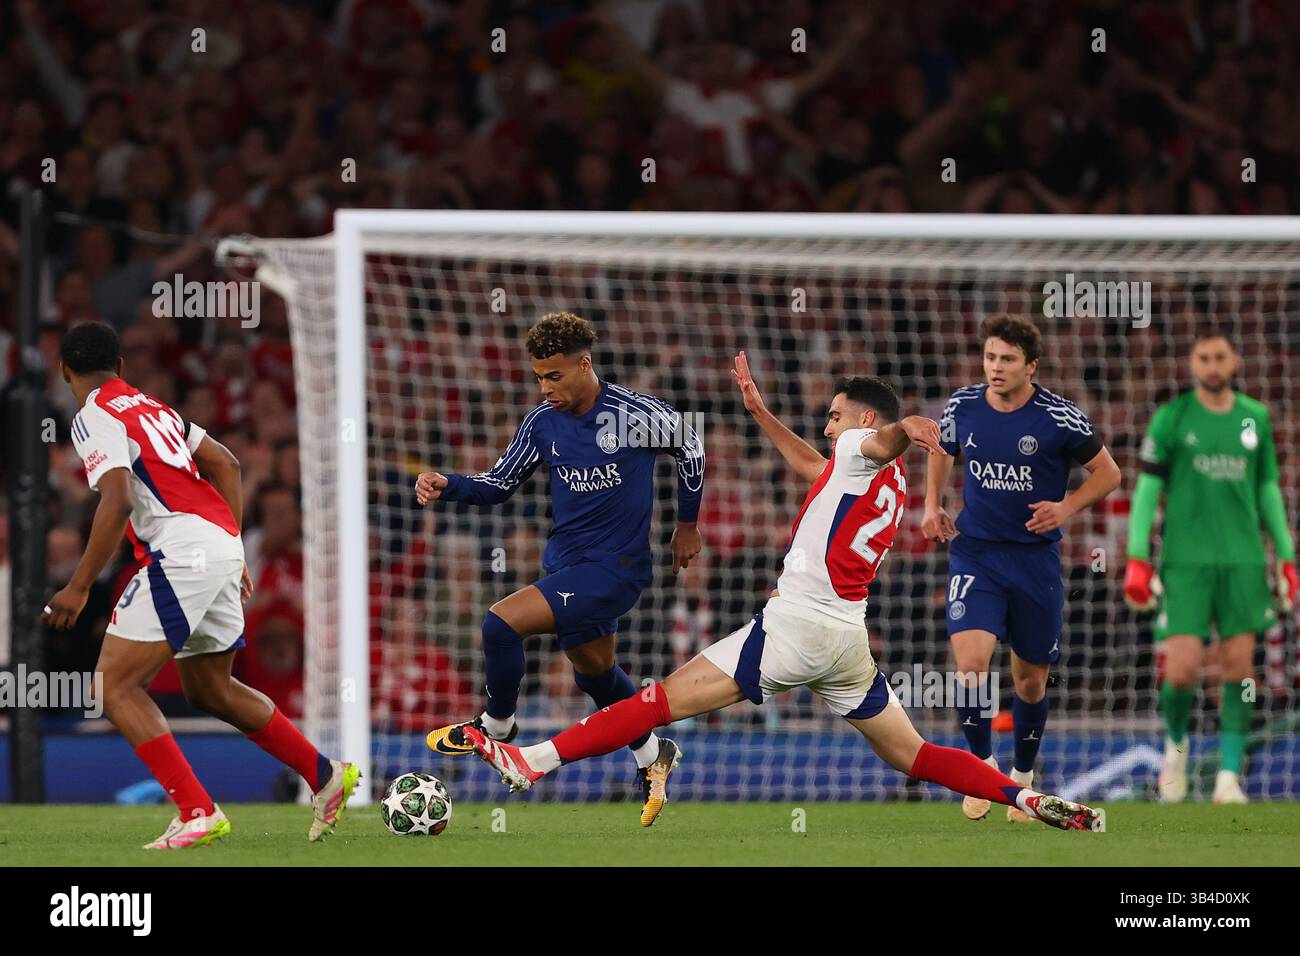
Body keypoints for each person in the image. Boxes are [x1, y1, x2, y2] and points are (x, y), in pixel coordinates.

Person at [459, 352, 1104, 833]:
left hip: (794, 627)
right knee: (917, 755)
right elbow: (815, 464)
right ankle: (1023, 797)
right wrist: (761, 411)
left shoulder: (865, 442)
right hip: (847, 638)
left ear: (863, 417)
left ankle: (533, 760)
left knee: (657, 702)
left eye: (834, 415)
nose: (829, 426)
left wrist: (907, 425)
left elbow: (876, 439)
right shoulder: (887, 483)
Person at [44, 321, 358, 849]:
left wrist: (78, 587)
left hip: (180, 551)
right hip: (219, 544)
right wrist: (232, 548)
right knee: (210, 688)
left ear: (65, 371)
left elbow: (116, 500)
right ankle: (325, 775)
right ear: (121, 367)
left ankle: (197, 811)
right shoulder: (153, 407)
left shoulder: (92, 414)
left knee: (112, 686)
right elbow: (226, 463)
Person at [417, 312, 704, 826]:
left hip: (617, 569)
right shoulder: (541, 422)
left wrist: (687, 524)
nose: (545, 387)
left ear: (584, 365)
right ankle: (652, 753)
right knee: (595, 675)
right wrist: (451, 484)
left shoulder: (632, 414)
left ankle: (498, 726)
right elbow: (501, 482)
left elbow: (692, 443)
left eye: (554, 376)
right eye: (538, 377)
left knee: (499, 623)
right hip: (567, 564)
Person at [922, 315, 1121, 822]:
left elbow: (1109, 473)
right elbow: (943, 450)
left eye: (1007, 359)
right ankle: (982, 768)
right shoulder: (963, 405)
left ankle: (1023, 779)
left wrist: (1066, 507)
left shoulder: (1060, 418)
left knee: (1031, 681)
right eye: (990, 357)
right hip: (977, 553)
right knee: (970, 664)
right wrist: (931, 504)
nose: (996, 367)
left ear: (1031, 366)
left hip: (1035, 561)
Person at [1124, 329, 1297, 803]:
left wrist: (1285, 555)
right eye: (1204, 357)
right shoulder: (1172, 418)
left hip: (1243, 562)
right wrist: (1137, 556)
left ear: (1234, 360)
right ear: (1193, 363)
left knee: (1240, 676)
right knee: (1180, 671)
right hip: (1185, 565)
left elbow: (1266, 490)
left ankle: (1227, 776)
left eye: (1220, 356)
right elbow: (1147, 490)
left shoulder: (1255, 418)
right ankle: (1175, 752)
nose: (1213, 364)